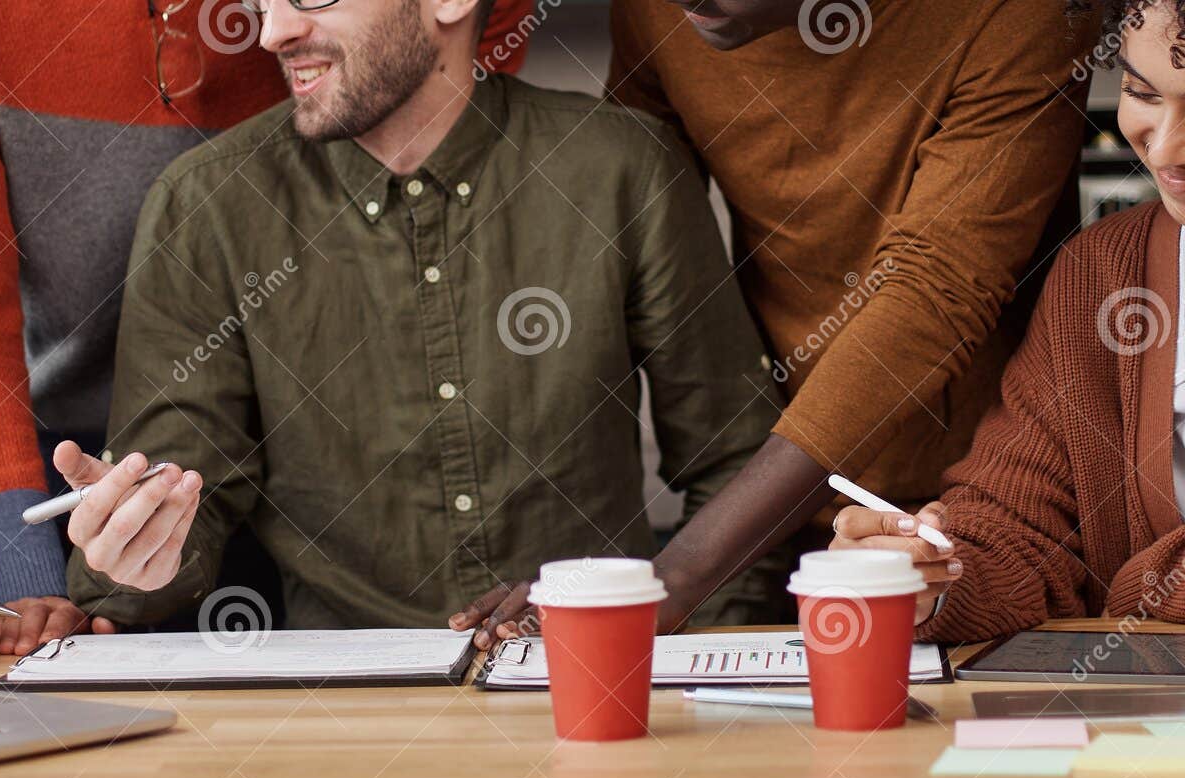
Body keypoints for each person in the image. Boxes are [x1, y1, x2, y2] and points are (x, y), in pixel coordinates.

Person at [54, 0, 782, 631]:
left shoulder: (622, 167)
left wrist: (678, 669)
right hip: (339, 714)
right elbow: (179, 517)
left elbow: (737, 466)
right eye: (262, 1)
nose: (272, 32)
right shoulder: (207, 207)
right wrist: (136, 555)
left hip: (593, 689)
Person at [0, 0, 537, 654]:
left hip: (317, 435)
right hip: (82, 464)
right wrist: (23, 584)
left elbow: (449, 69)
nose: (272, 30)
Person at [457, 0, 1101, 643]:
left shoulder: (1021, 14)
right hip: (765, 510)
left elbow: (936, 287)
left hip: (983, 516)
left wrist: (677, 574)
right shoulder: (661, 13)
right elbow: (636, 216)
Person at [832, 0, 1185, 642]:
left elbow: (1142, 590)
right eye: (1142, 93)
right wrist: (932, 575)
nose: (1166, 146)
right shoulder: (1102, 273)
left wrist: (1142, 589)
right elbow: (1024, 524)